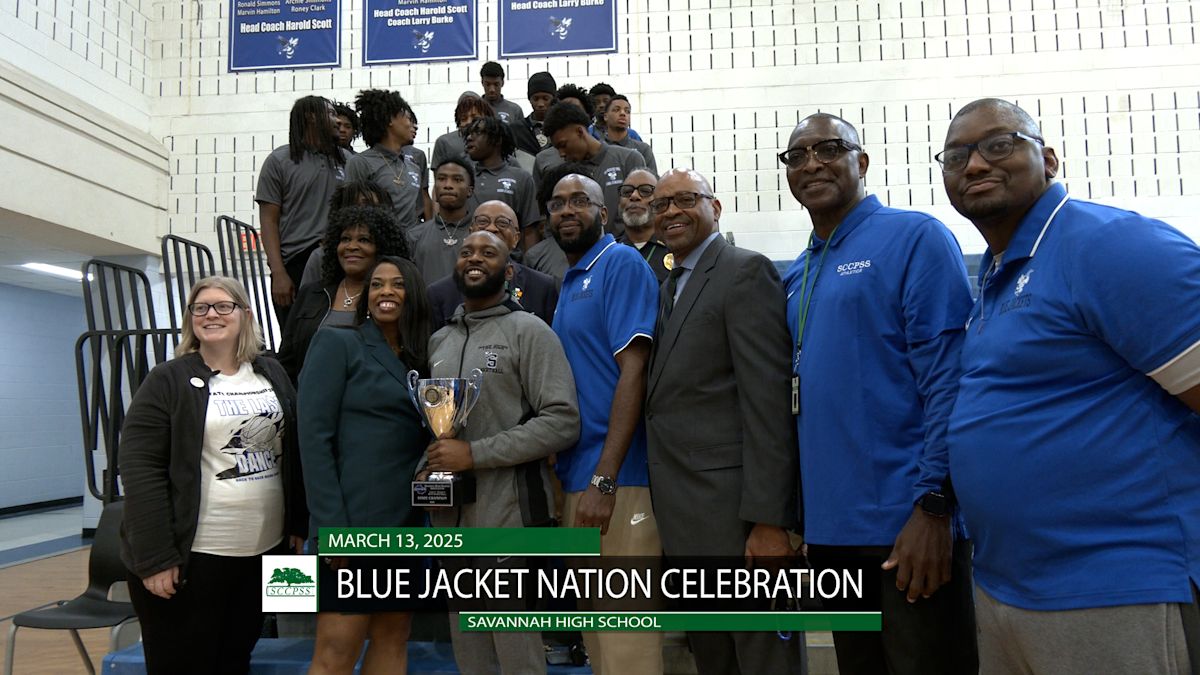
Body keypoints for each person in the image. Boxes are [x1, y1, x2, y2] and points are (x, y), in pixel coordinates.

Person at [941, 98, 1200, 674]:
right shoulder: (994, 274)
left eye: (999, 144)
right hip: (1005, 589)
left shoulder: (1110, 245)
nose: (976, 164)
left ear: (1049, 159)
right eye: (957, 156)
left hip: (1114, 590)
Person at [781, 113, 978, 675]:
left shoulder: (914, 236)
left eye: (829, 148)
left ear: (861, 162)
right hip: (831, 534)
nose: (811, 162)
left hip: (907, 525)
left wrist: (934, 505)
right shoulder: (799, 271)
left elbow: (948, 379)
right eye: (797, 155)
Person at [644, 168, 803, 675]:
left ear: (716, 207)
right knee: (714, 659)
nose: (670, 211)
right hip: (685, 517)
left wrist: (770, 520)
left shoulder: (743, 271)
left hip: (738, 519)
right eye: (661, 204)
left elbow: (767, 402)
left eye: (685, 200)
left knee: (762, 657)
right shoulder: (669, 286)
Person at [120, 277, 306, 674]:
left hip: (262, 553)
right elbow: (140, 470)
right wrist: (154, 558)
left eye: (224, 306)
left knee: (235, 661)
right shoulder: (167, 380)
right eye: (200, 308)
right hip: (193, 558)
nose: (211, 315)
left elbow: (293, 454)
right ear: (190, 319)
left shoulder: (272, 373)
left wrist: (298, 522)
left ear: (245, 315)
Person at [427, 230, 580, 674]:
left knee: (516, 649)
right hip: (451, 518)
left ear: (509, 271)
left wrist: (475, 454)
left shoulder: (529, 331)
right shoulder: (440, 341)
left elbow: (562, 421)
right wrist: (431, 465)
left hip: (510, 512)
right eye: (466, 252)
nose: (474, 258)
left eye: (488, 253)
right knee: (469, 646)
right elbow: (439, 429)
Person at [548, 173, 662, 675]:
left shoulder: (620, 263)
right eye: (556, 203)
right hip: (578, 477)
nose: (567, 211)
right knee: (597, 635)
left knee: (625, 638)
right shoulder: (570, 280)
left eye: (580, 201)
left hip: (619, 480)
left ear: (604, 214)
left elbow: (633, 370)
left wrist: (606, 476)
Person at [298, 255, 432, 675]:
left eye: (396, 284)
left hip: (409, 525)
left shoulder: (423, 358)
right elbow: (313, 441)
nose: (385, 292)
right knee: (336, 651)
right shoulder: (338, 343)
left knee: (395, 636)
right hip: (353, 525)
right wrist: (331, 529)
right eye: (376, 285)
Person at [278, 205, 410, 385]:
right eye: (345, 239)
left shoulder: (393, 297)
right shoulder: (311, 294)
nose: (351, 246)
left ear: (382, 248)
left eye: (363, 240)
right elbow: (287, 362)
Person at [256, 96, 348, 326]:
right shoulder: (279, 160)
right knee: (296, 341)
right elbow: (269, 221)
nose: (338, 121)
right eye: (330, 113)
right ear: (311, 116)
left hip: (340, 259)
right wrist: (278, 272)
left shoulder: (349, 161)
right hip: (295, 262)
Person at [425, 200, 558, 329]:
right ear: (471, 232)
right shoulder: (439, 294)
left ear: (516, 238)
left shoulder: (542, 287)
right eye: (482, 221)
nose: (491, 228)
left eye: (502, 223)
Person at [534, 103, 646, 237]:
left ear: (580, 132)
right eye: (557, 148)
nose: (561, 154)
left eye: (563, 145)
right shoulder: (563, 175)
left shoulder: (629, 159)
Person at [347, 89, 423, 232]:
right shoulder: (360, 163)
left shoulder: (414, 167)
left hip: (411, 250)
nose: (414, 125)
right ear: (389, 120)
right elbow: (350, 214)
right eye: (408, 119)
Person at [298, 181, 394, 290]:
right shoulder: (320, 258)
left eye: (372, 207)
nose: (363, 213)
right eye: (356, 207)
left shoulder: (396, 258)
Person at [464, 115, 541, 247]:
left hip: (508, 260)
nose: (469, 138)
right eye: (469, 133)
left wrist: (528, 266)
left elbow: (530, 230)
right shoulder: (463, 177)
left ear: (497, 140)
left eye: (478, 132)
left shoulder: (522, 178)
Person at [408, 158, 474, 284]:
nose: (448, 185)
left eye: (457, 180)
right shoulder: (414, 235)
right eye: (441, 179)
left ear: (470, 190)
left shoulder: (481, 235)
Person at [616, 169, 670, 282]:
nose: (634, 196)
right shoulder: (608, 254)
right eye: (627, 192)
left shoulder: (676, 249)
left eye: (645, 191)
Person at [430, 93, 493, 170]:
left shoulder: (496, 141)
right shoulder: (444, 142)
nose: (469, 122)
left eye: (474, 117)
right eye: (464, 118)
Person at [603, 96, 656, 174]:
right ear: (605, 116)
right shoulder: (599, 148)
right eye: (616, 110)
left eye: (627, 111)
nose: (622, 113)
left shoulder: (643, 149)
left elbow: (653, 181)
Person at [509, 71, 556, 156]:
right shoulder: (516, 130)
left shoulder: (561, 128)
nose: (540, 104)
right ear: (529, 99)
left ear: (553, 98)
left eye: (545, 99)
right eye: (536, 99)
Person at [401, 109, 434, 222]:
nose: (415, 127)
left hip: (416, 220)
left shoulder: (418, 155)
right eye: (410, 122)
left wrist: (429, 227)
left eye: (415, 124)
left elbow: (424, 193)